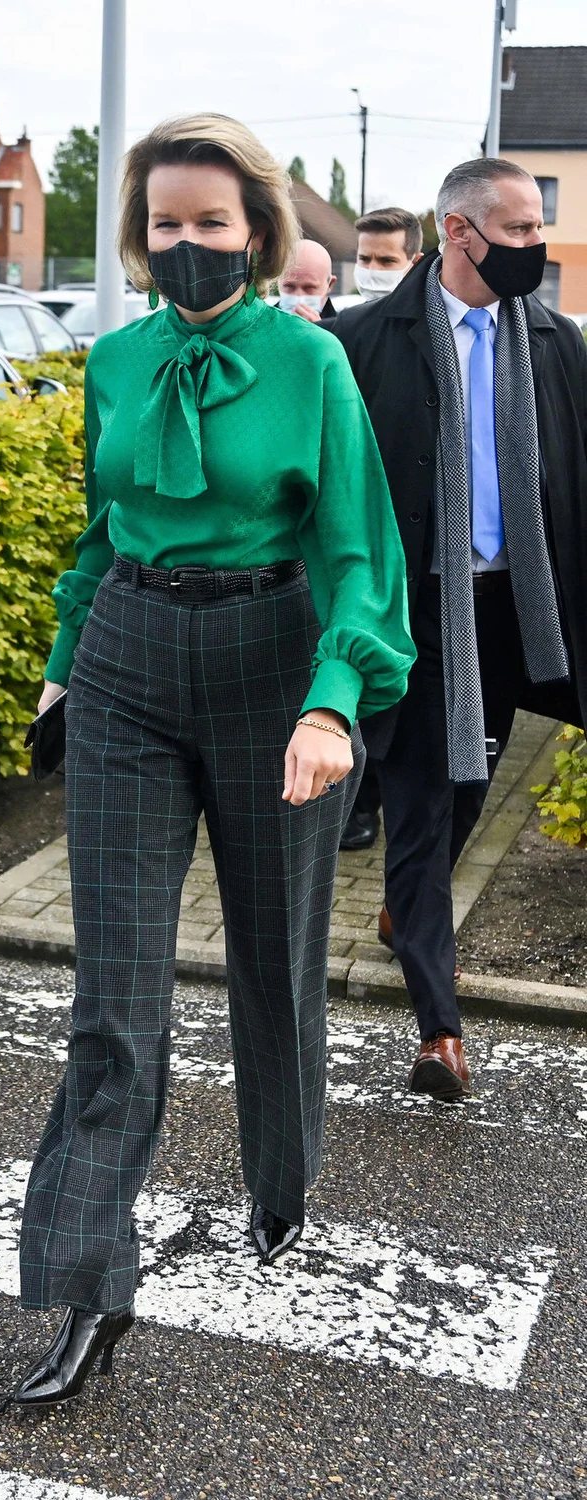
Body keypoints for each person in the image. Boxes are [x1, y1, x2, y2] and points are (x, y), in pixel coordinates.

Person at [13, 112, 414, 1408]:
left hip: (270, 662)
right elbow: (101, 528)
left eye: (211, 222)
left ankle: (278, 1183)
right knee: (113, 992)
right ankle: (86, 1282)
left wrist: (333, 702)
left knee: (275, 958)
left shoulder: (311, 361)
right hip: (126, 661)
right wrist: (63, 662)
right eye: (165, 224)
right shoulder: (115, 359)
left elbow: (356, 548)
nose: (186, 242)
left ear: (257, 232)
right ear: (141, 236)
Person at [332, 158, 587, 1101]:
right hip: (417, 610)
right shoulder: (364, 342)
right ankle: (439, 1028)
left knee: (470, 790)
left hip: (516, 611)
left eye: (537, 229)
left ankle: (410, 913)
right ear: (457, 231)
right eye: (519, 230)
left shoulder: (555, 341)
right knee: (422, 806)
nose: (535, 246)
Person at [340, 207, 424, 851]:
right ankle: (355, 802)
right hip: (353, 536)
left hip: (413, 537)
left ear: (414, 262)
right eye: (364, 259)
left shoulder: (431, 337)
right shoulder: (343, 333)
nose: (370, 271)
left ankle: (384, 798)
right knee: (357, 665)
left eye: (385, 261)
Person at [353, 207, 425, 302]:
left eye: (386, 261)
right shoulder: (346, 310)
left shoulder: (434, 310)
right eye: (364, 259)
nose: (372, 269)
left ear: (416, 263)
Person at [277, 237, 337, 322]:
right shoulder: (261, 324)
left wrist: (320, 328)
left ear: (330, 284)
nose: (298, 296)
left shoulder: (344, 328)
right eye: (289, 286)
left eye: (309, 287)